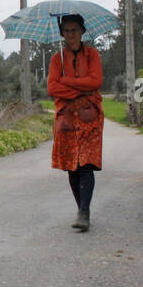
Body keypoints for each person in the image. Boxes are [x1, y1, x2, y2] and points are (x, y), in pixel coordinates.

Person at [46, 13, 104, 231]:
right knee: (72, 166)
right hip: (67, 117)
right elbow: (52, 88)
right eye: (67, 30)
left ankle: (84, 211)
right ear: (62, 33)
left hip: (90, 116)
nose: (70, 34)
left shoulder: (92, 55)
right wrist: (82, 87)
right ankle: (81, 209)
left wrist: (66, 81)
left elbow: (96, 81)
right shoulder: (56, 59)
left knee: (86, 164)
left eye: (74, 30)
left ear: (82, 31)